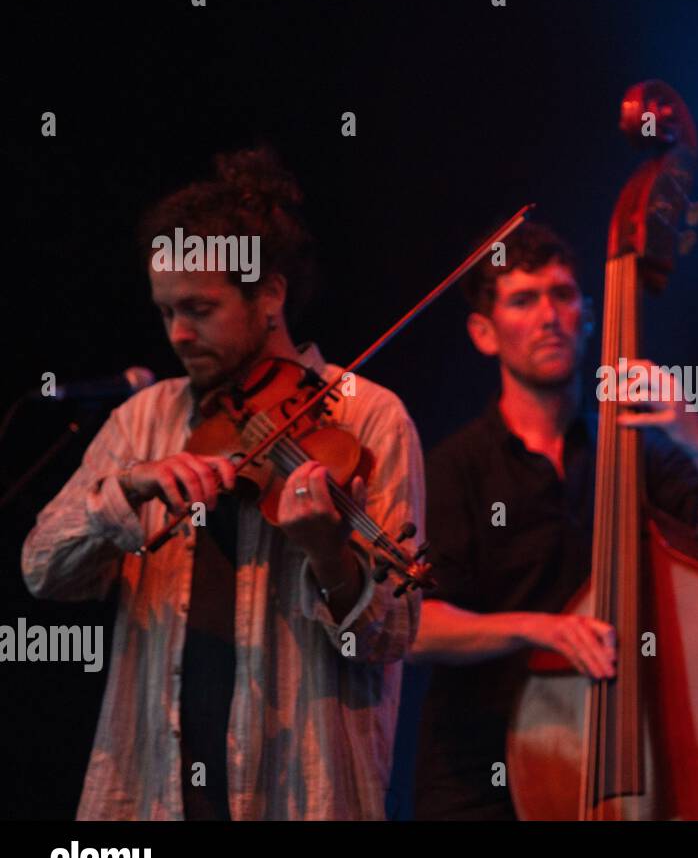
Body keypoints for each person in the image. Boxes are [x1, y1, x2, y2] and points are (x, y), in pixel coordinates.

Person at [21, 147, 424, 819]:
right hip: (153, 793)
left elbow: (385, 639)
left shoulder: (367, 415)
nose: (178, 334)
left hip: (299, 796)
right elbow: (41, 569)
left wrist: (331, 554)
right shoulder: (143, 420)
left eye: (200, 309)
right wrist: (127, 490)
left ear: (269, 295)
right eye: (164, 312)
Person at [406, 222, 698, 820]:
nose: (549, 316)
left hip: (626, 764)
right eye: (524, 300)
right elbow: (415, 627)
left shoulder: (635, 449)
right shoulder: (453, 468)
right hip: (477, 782)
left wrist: (696, 436)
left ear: (587, 315)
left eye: (562, 295)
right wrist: (543, 629)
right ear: (484, 332)